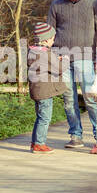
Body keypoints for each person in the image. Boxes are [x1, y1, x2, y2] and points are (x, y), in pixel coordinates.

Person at [46, 0, 97, 149]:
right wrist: (51, 56)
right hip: (62, 58)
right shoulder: (56, 5)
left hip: (86, 57)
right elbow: (49, 32)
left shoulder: (94, 2)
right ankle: (75, 135)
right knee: (69, 100)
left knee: (90, 97)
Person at [27, 22, 67, 154]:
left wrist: (56, 59)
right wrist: (64, 60)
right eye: (52, 39)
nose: (53, 41)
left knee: (40, 117)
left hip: (36, 91)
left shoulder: (33, 51)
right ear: (45, 40)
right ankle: (39, 144)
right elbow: (59, 69)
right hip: (45, 92)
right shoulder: (46, 54)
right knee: (45, 118)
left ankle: (35, 142)